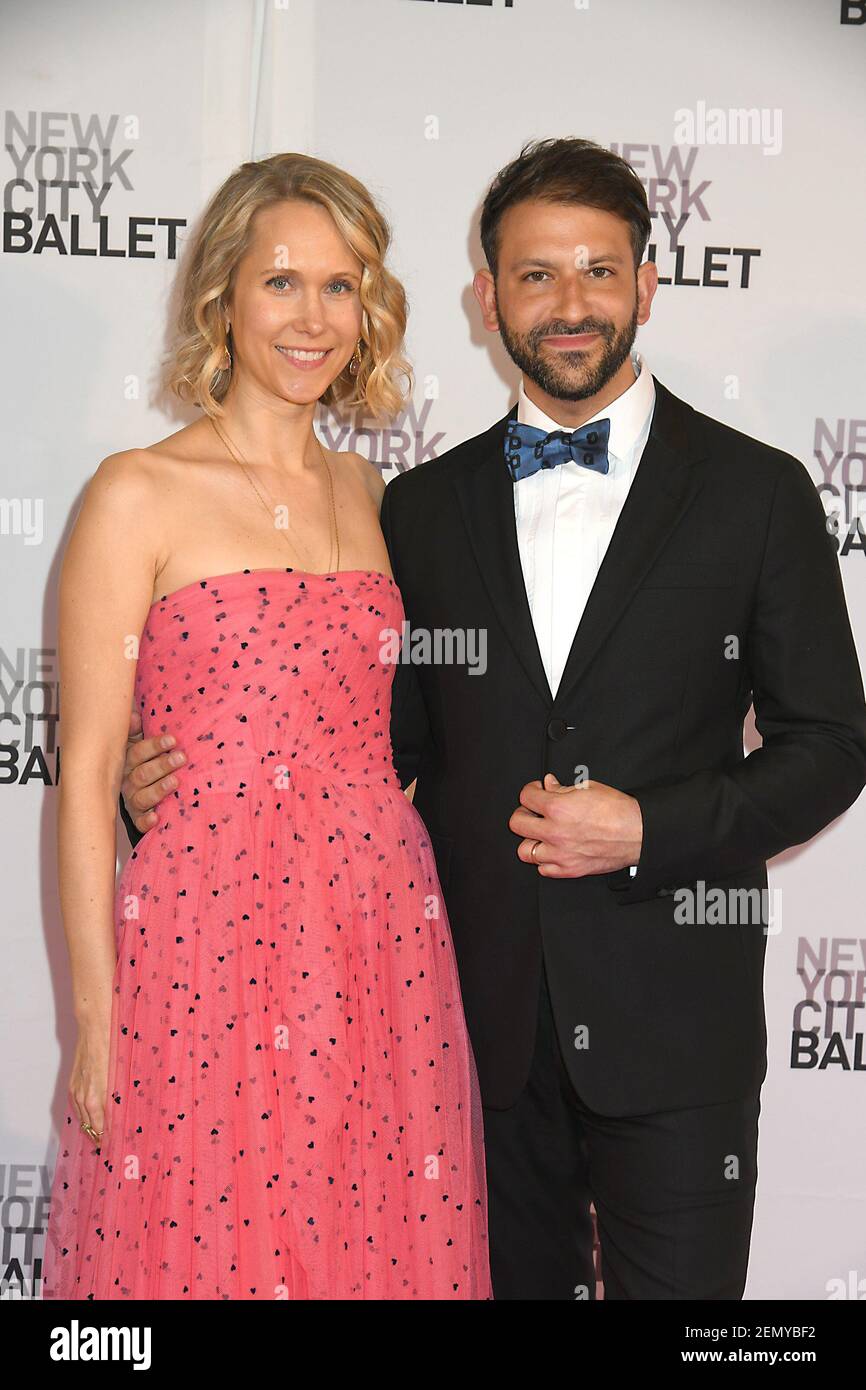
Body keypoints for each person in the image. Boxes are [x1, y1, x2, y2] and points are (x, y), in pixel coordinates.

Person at [119, 138, 866, 1301]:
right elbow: (371, 748)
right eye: (533, 276)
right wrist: (166, 784)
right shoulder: (417, 506)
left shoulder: (755, 492)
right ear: (487, 296)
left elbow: (831, 745)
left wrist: (647, 827)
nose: (568, 306)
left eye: (597, 272)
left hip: (674, 1037)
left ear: (647, 283)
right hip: (466, 1038)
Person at [43, 152, 491, 1301]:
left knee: (365, 1231)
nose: (313, 317)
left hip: (373, 930)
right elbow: (88, 777)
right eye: (282, 282)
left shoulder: (374, 496)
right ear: (222, 298)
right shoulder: (135, 490)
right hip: (203, 934)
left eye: (340, 286)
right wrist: (96, 1018)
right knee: (202, 1242)